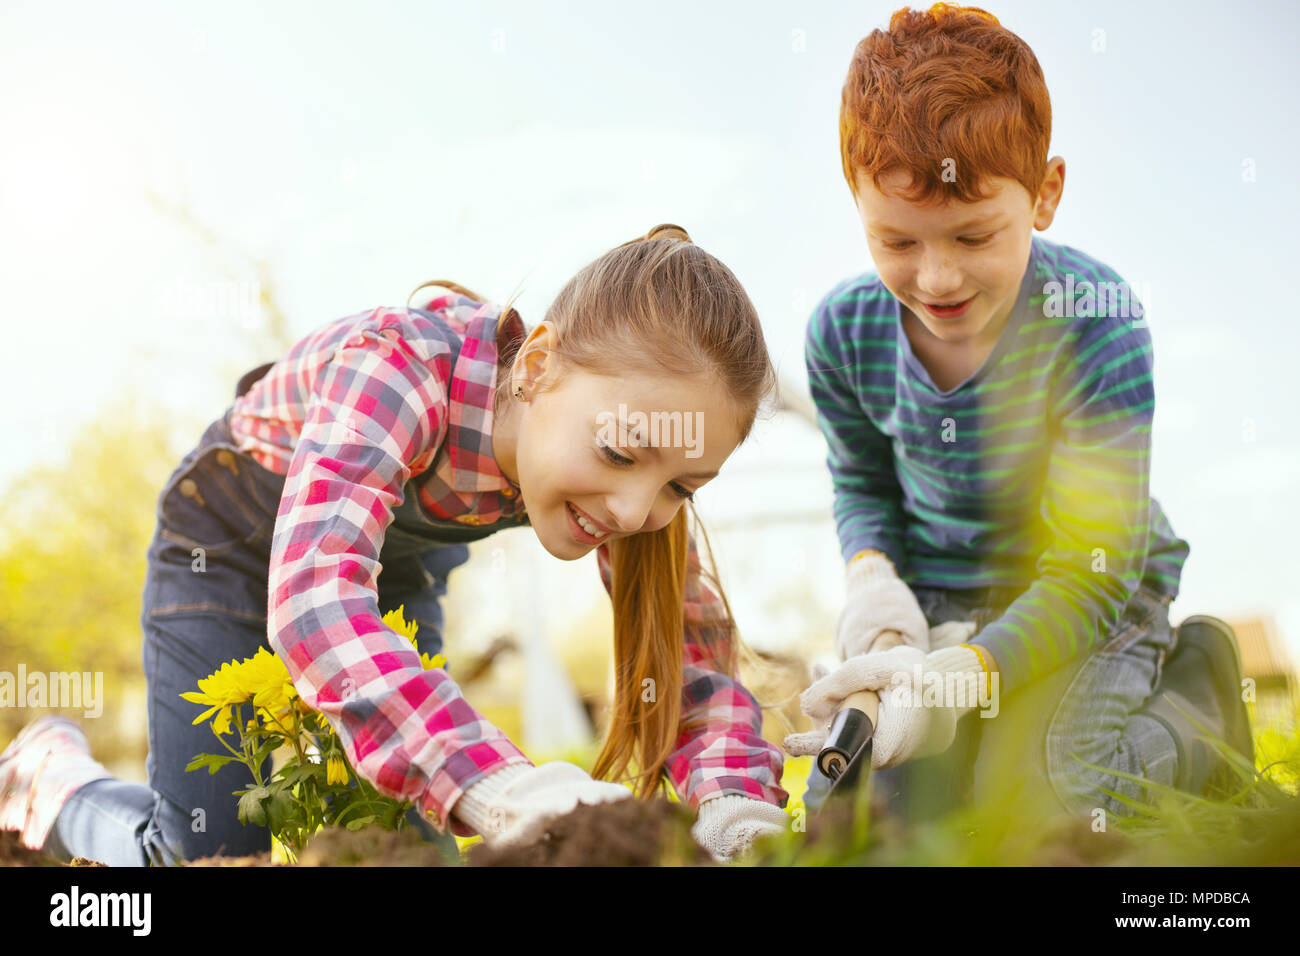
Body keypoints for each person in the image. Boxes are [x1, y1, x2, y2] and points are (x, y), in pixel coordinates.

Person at [0, 224, 791, 866]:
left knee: (403, 849)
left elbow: (689, 653)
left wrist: (735, 812)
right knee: (202, 853)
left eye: (682, 487)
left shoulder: (643, 469)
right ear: (540, 367)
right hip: (233, 540)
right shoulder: (401, 368)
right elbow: (316, 600)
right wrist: (504, 787)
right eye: (619, 453)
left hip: (392, 567)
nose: (633, 509)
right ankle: (52, 781)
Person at [785, 4, 1254, 830]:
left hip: (1091, 595)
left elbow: (1089, 570)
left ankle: (1199, 710)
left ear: (1045, 195)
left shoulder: (1095, 322)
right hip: (938, 599)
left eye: (972, 236)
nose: (935, 278)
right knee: (855, 820)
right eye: (898, 242)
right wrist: (879, 599)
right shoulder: (840, 332)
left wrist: (961, 678)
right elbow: (861, 484)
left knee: (1053, 800)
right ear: (854, 201)